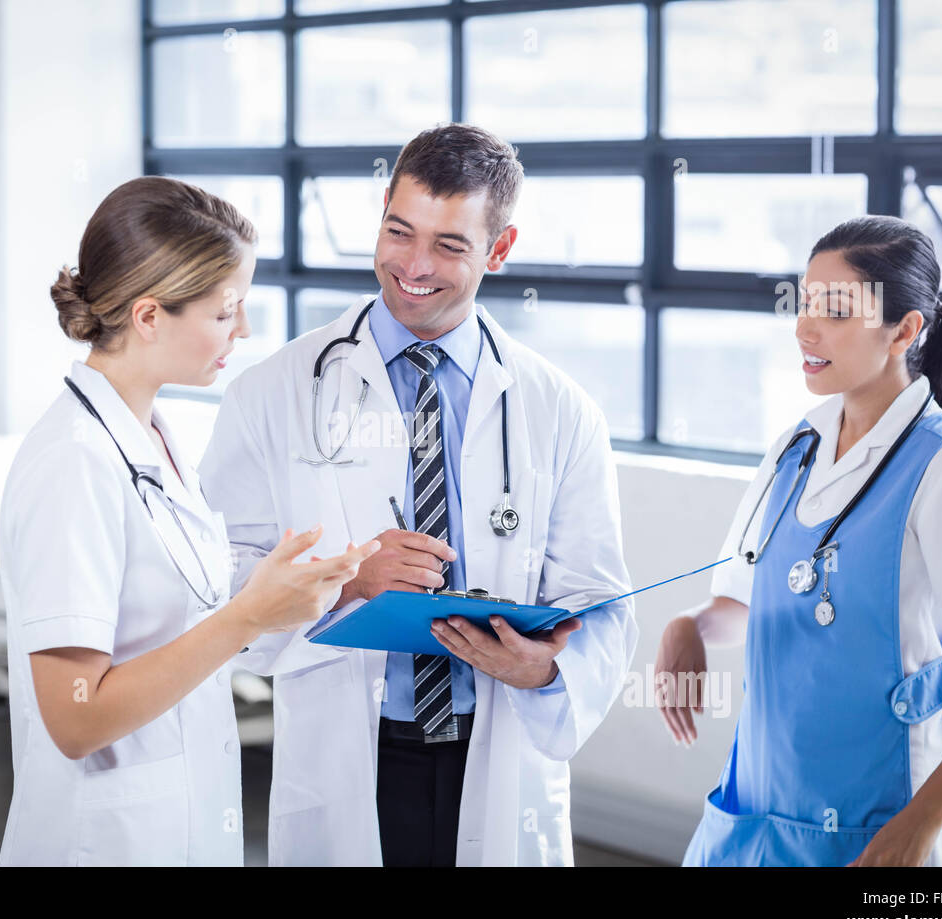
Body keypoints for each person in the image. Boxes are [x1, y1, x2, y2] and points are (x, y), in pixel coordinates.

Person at [199, 123, 638, 866]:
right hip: (351, 744)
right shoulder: (270, 393)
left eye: (449, 246)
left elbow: (598, 596)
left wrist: (547, 670)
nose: (413, 265)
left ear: (499, 250)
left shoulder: (558, 408)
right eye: (399, 231)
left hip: (497, 744)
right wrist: (344, 580)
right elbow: (217, 578)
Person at [0, 176, 377, 866]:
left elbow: (167, 625)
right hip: (105, 841)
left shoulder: (152, 440)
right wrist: (247, 617)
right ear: (148, 317)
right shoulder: (74, 464)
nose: (245, 331)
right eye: (226, 311)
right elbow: (76, 719)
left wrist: (289, 593)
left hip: (179, 824)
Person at [657, 215, 942, 867]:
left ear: (905, 330)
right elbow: (757, 604)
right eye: (804, 304)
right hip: (760, 804)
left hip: (881, 819)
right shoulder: (795, 448)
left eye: (833, 310)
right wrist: (689, 626)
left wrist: (924, 819)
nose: (804, 328)